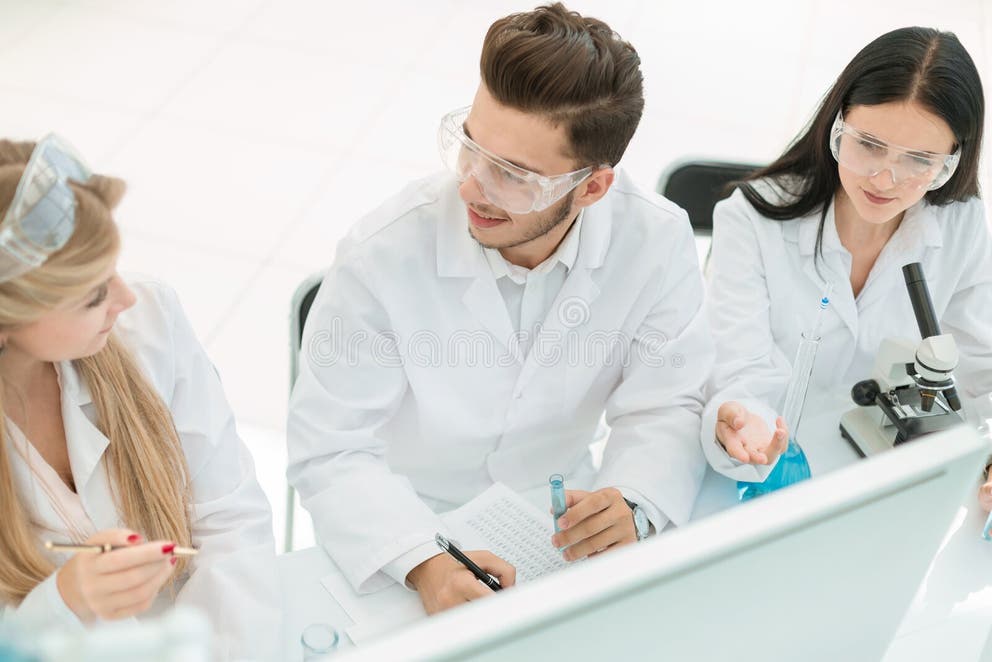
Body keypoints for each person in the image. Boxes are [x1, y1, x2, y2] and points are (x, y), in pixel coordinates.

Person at [288, 3, 713, 614]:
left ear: (591, 187)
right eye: (470, 146)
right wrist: (424, 560)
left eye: (514, 174)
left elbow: (666, 401)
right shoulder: (382, 253)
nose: (471, 186)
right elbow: (331, 446)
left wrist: (635, 499)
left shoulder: (656, 240)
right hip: (405, 525)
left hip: (563, 513)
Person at [0, 136, 280, 660]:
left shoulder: (147, 321)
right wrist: (65, 600)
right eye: (93, 294)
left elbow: (230, 521)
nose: (125, 298)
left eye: (114, 270)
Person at [700, 27, 992, 491]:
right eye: (869, 145)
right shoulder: (750, 219)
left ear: (951, 162)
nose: (884, 178)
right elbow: (739, 374)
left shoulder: (962, 224)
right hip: (761, 475)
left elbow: (981, 370)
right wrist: (745, 427)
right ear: (837, 125)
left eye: (919, 160)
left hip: (882, 481)